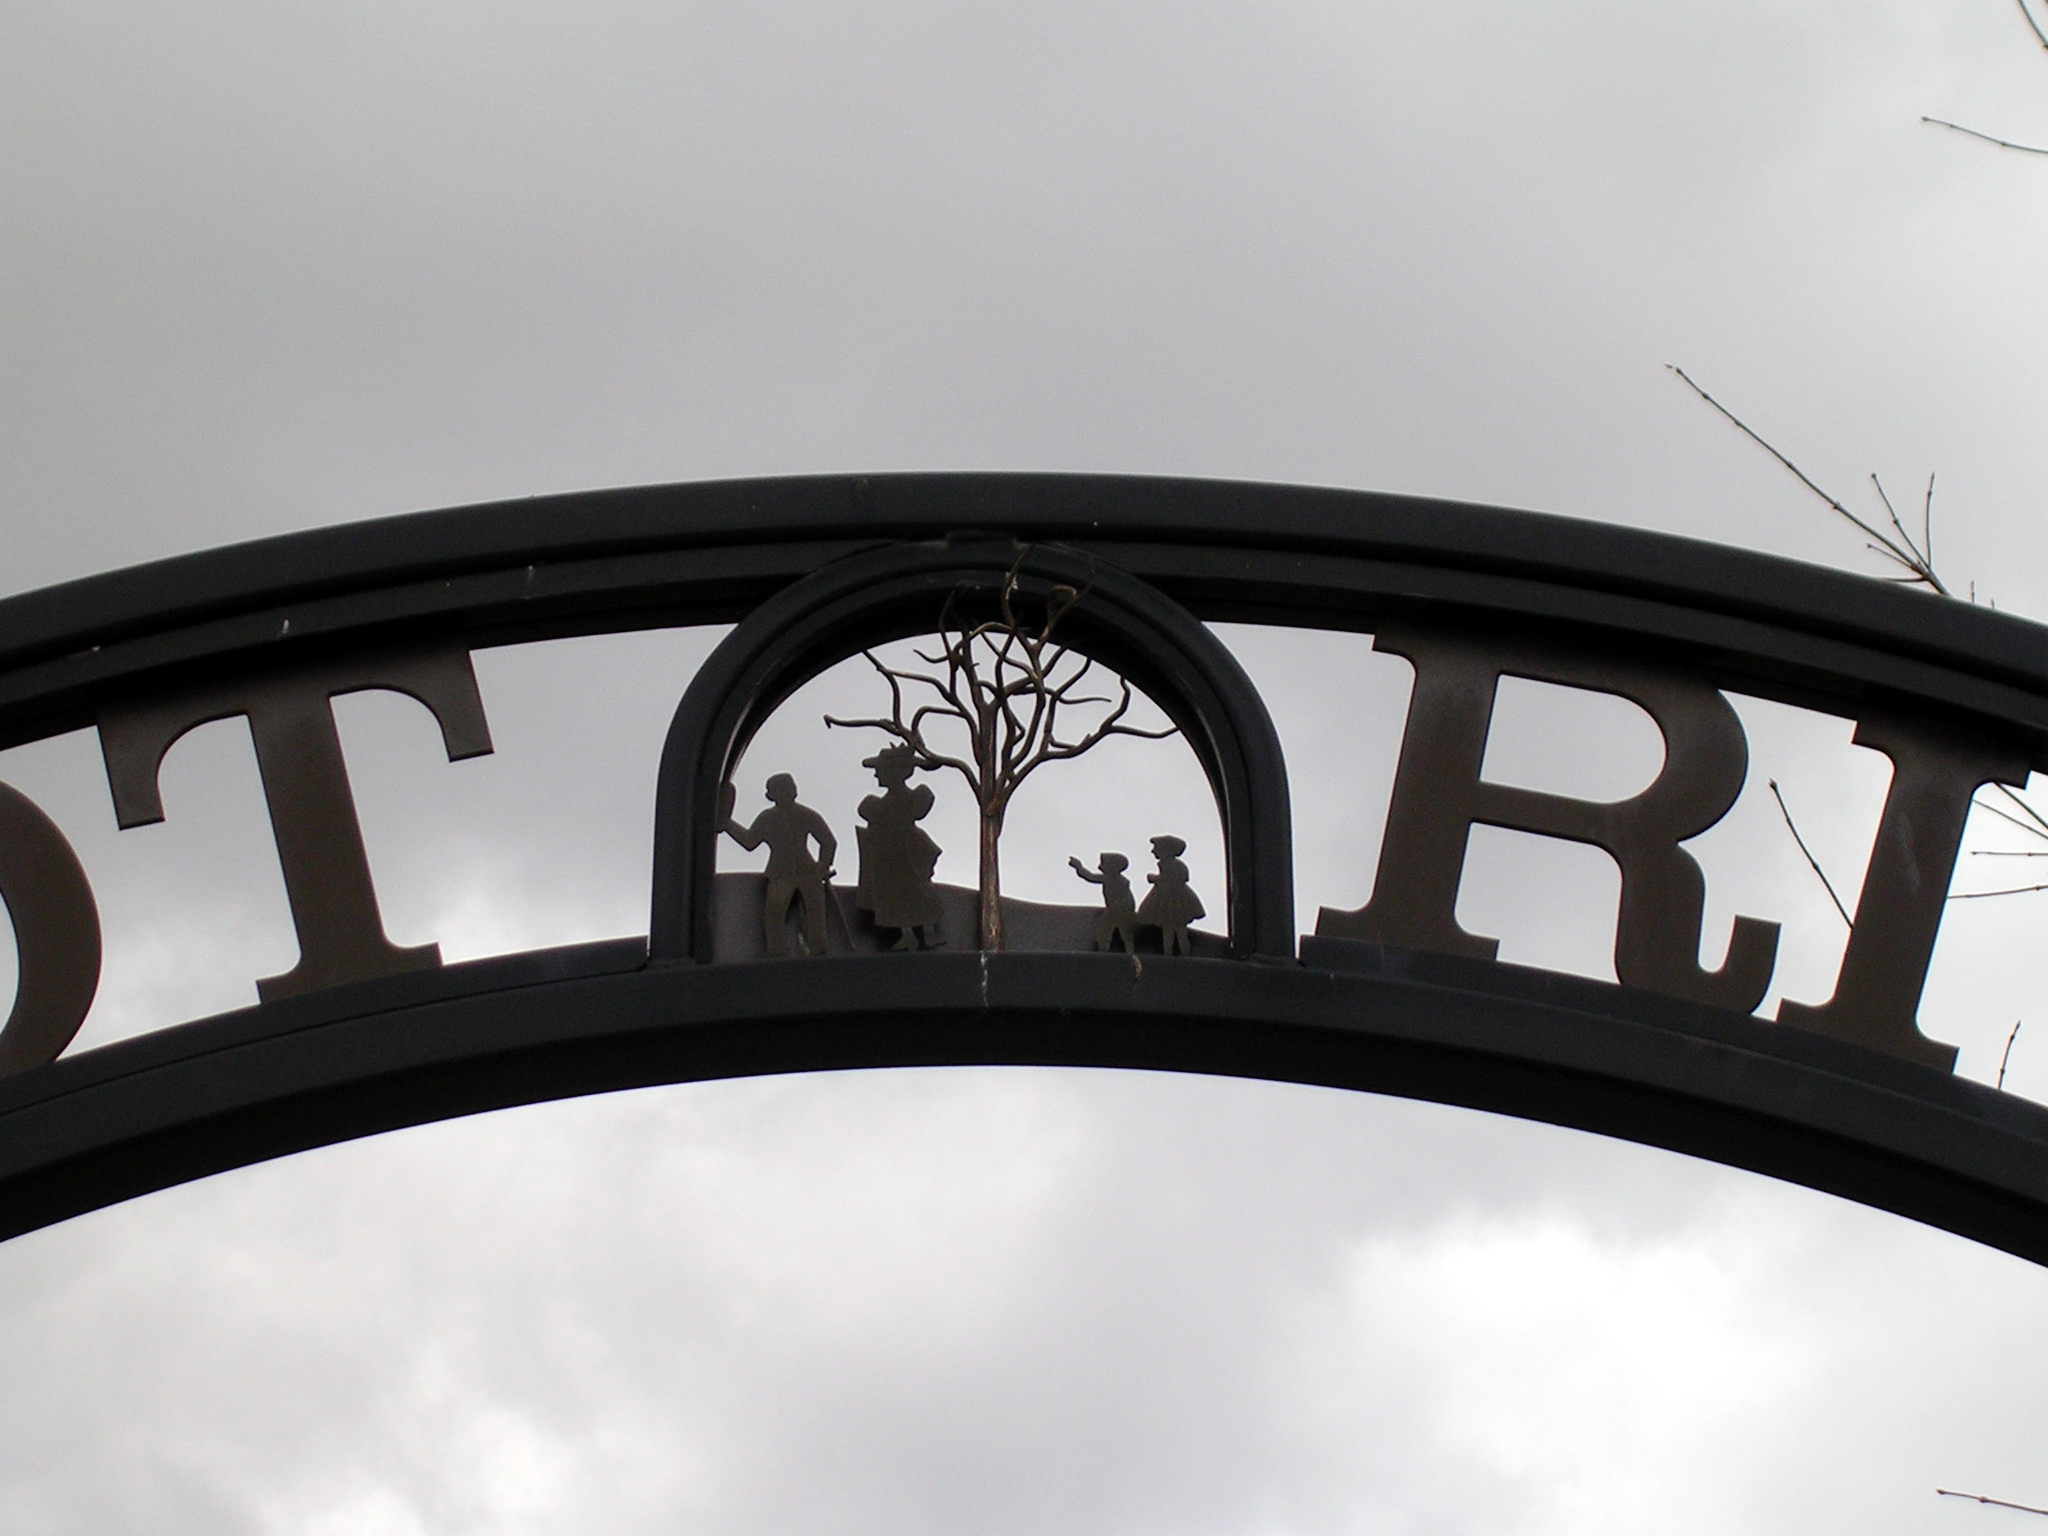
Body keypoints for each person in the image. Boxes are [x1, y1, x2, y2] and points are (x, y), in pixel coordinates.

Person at [722, 774, 836, 957]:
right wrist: (728, 825)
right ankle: (777, 953)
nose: (785, 793)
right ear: (772, 795)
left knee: (815, 913)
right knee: (774, 916)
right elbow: (749, 841)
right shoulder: (767, 818)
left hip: (809, 872)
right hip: (780, 875)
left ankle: (818, 950)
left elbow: (828, 842)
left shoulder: (805, 814)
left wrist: (822, 868)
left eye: (787, 788)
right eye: (779, 790)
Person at [854, 744, 945, 950]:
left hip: (909, 851)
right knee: (894, 895)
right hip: (888, 855)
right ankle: (907, 934)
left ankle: (928, 932)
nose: (877, 774)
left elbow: (918, 810)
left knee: (918, 890)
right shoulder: (874, 804)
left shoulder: (915, 797)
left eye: (881, 770)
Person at [1137, 834, 1204, 957]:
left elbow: (1180, 878)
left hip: (1174, 902)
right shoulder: (1164, 864)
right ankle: (1169, 953)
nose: (1152, 851)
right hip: (1167, 899)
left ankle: (1183, 952)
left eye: (1155, 848)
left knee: (1177, 930)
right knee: (1169, 930)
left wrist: (1156, 879)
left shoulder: (1175, 865)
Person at [1068, 851, 1138, 953]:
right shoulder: (1112, 878)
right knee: (1116, 931)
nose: (1099, 866)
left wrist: (1078, 866)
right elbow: (1090, 876)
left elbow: (1090, 876)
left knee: (1109, 931)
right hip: (1118, 909)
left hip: (1118, 909)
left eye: (1103, 863)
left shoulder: (1115, 880)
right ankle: (1111, 950)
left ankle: (1115, 951)